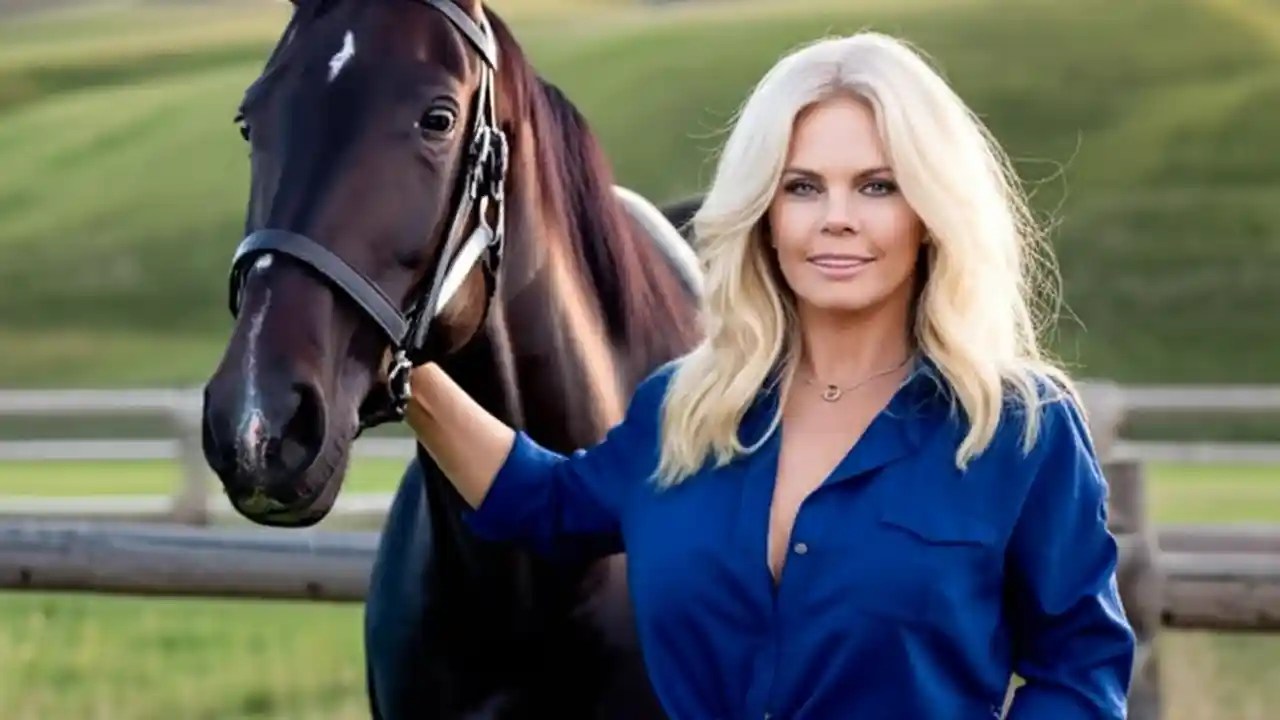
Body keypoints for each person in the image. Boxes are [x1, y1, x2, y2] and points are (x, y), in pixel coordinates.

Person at [403, 31, 1135, 720]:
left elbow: (1079, 667)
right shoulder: (683, 411)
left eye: (878, 186)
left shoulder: (1020, 430)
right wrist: (399, 362)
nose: (837, 218)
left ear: (931, 210)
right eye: (802, 187)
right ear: (764, 212)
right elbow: (542, 504)